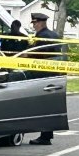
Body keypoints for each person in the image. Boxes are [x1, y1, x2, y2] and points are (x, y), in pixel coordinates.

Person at [28, 12, 62, 145]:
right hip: (55, 73)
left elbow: (35, 54)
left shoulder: (41, 36)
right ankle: (47, 134)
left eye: (35, 23)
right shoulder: (54, 35)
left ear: (41, 23)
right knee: (50, 106)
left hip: (43, 74)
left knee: (43, 106)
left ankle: (45, 136)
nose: (34, 26)